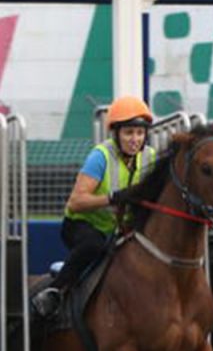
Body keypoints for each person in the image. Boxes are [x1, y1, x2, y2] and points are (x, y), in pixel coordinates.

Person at [30, 95, 156, 318]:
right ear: (116, 134)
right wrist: (115, 197)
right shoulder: (100, 157)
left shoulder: (151, 157)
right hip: (82, 225)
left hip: (122, 230)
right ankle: (54, 292)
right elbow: (76, 203)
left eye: (140, 132)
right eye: (128, 132)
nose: (135, 139)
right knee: (94, 245)